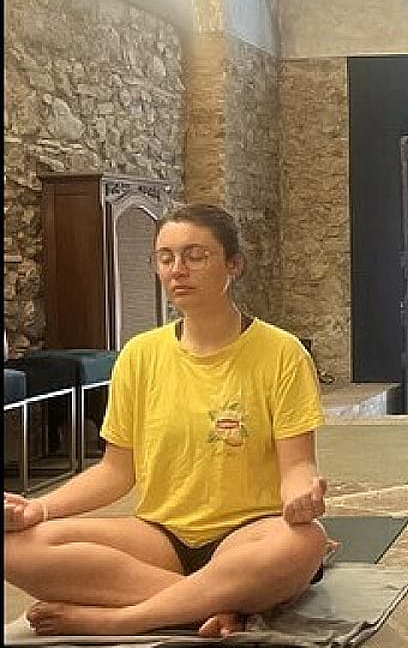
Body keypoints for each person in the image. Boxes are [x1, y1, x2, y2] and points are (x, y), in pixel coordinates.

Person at [4, 204, 329, 637]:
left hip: (249, 534)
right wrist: (38, 508)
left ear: (233, 264)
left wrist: (300, 496)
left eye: (196, 256)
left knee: (306, 541)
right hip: (159, 536)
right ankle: (215, 607)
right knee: (16, 547)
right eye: (166, 257)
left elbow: (296, 466)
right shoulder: (140, 354)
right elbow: (116, 471)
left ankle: (124, 618)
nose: (178, 270)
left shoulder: (282, 353)